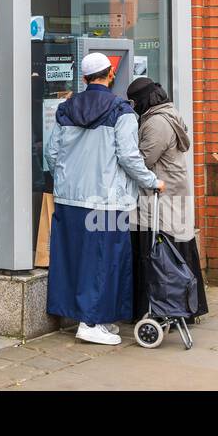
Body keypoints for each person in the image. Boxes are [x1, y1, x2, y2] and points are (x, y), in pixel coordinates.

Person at [45, 52, 164, 346]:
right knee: (105, 260)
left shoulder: (65, 108)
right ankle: (91, 322)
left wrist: (64, 180)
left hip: (70, 198)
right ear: (110, 75)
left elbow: (51, 153)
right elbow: (128, 157)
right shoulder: (121, 111)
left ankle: (90, 316)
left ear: (84, 78)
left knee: (73, 258)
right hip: (106, 200)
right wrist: (151, 181)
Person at [126, 76, 208, 321]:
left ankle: (166, 309)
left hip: (161, 198)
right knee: (178, 252)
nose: (133, 107)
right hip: (172, 194)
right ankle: (185, 308)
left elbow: (143, 161)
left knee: (162, 255)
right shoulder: (169, 113)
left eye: (134, 101)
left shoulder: (156, 123)